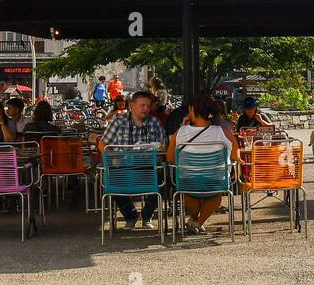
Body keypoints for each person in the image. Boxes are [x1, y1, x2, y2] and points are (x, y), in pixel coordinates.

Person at [166, 93, 238, 234]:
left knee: (190, 193)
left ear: (193, 110)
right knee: (215, 196)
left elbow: (170, 158)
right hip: (216, 181)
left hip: (189, 182)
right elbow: (235, 155)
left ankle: (195, 221)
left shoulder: (180, 132)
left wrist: (184, 126)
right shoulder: (223, 132)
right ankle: (198, 222)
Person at [97, 89, 167, 229]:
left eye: (148, 105)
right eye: (142, 105)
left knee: (162, 177)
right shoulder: (118, 122)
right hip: (123, 167)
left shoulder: (154, 122)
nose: (146, 108)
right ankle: (130, 215)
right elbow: (103, 144)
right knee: (111, 179)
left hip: (147, 168)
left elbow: (163, 146)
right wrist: (113, 157)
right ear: (132, 106)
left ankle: (147, 216)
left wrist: (158, 154)